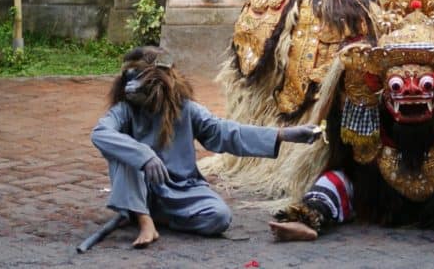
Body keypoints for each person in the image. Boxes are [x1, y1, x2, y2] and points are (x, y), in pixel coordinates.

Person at [91, 46, 318, 248]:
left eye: (137, 77)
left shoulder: (186, 110)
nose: (131, 85)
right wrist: (143, 155)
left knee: (218, 218)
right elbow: (101, 134)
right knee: (124, 154)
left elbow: (226, 133)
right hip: (139, 185)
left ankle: (156, 214)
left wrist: (282, 135)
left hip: (179, 189)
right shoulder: (125, 111)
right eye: (128, 78)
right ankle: (144, 220)